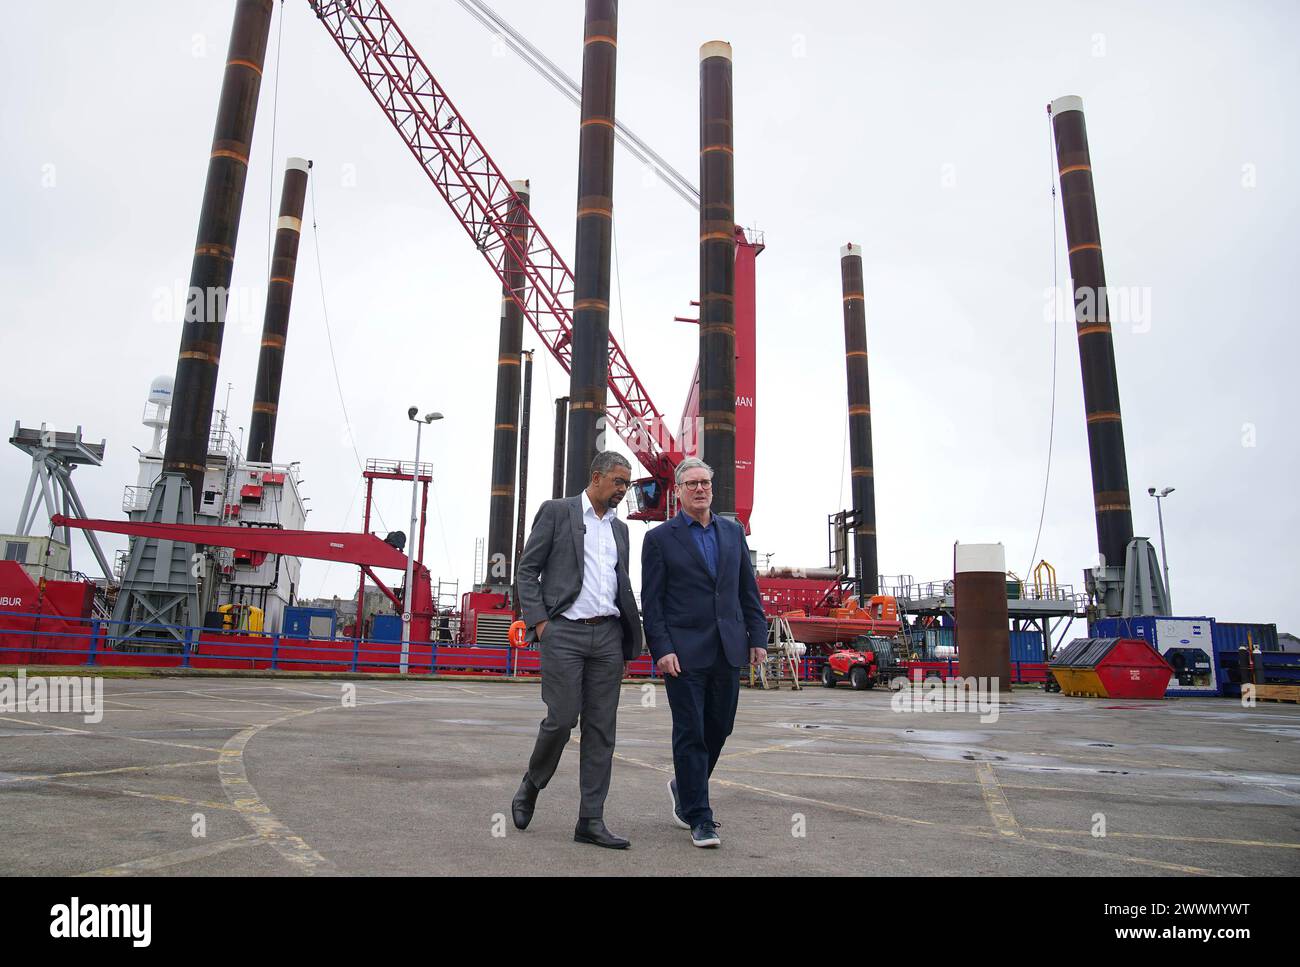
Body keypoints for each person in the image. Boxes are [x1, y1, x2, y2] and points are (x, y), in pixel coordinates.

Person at [510, 451, 643, 849]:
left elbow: (620, 582)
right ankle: (532, 783)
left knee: (602, 730)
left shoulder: (620, 530)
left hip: (607, 637)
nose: (623, 490)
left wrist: (625, 639)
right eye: (619, 482)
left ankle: (590, 820)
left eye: (627, 484)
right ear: (596, 477)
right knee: (562, 718)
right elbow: (527, 570)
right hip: (563, 633)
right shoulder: (557, 512)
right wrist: (541, 624)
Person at [640, 457, 768, 848]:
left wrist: (758, 638)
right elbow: (653, 600)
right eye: (692, 483)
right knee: (691, 732)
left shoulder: (733, 533)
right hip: (683, 654)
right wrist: (661, 648)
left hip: (728, 648)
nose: (700, 489)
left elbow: (748, 590)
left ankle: (684, 786)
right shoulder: (660, 538)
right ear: (678, 491)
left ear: (712, 489)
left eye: (705, 484)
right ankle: (701, 817)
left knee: (720, 727)